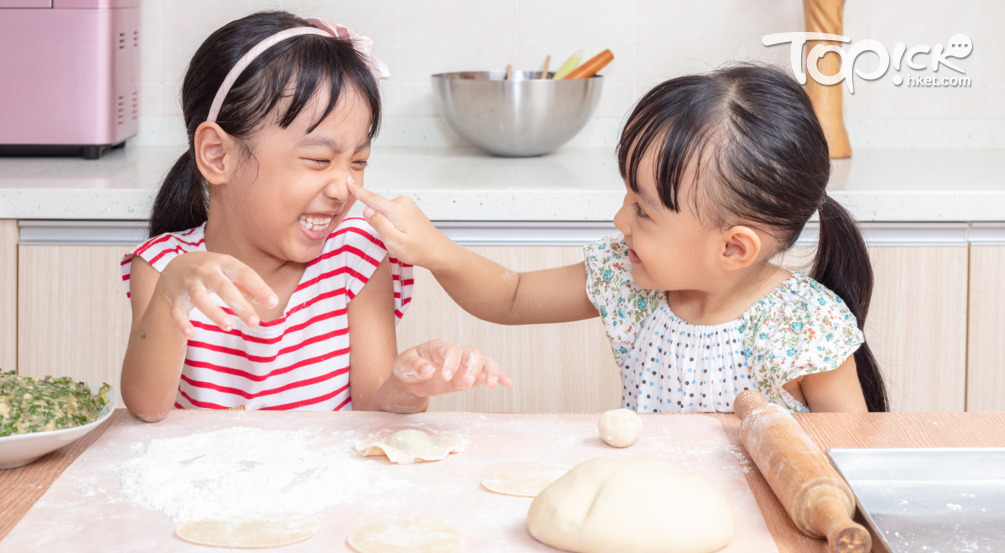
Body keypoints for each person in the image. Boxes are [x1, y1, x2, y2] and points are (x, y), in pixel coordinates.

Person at [350, 64, 888, 414]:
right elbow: (510, 296)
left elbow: (851, 457)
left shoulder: (803, 328)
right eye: (627, 196)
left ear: (732, 248)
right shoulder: (628, 280)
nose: (618, 220)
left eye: (643, 211)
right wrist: (433, 249)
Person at [119, 11, 508, 422]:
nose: (343, 188)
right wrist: (170, 295)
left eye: (358, 162)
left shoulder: (355, 257)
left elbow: (373, 409)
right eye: (319, 159)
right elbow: (147, 407)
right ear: (218, 155)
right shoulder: (165, 267)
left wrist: (408, 387)